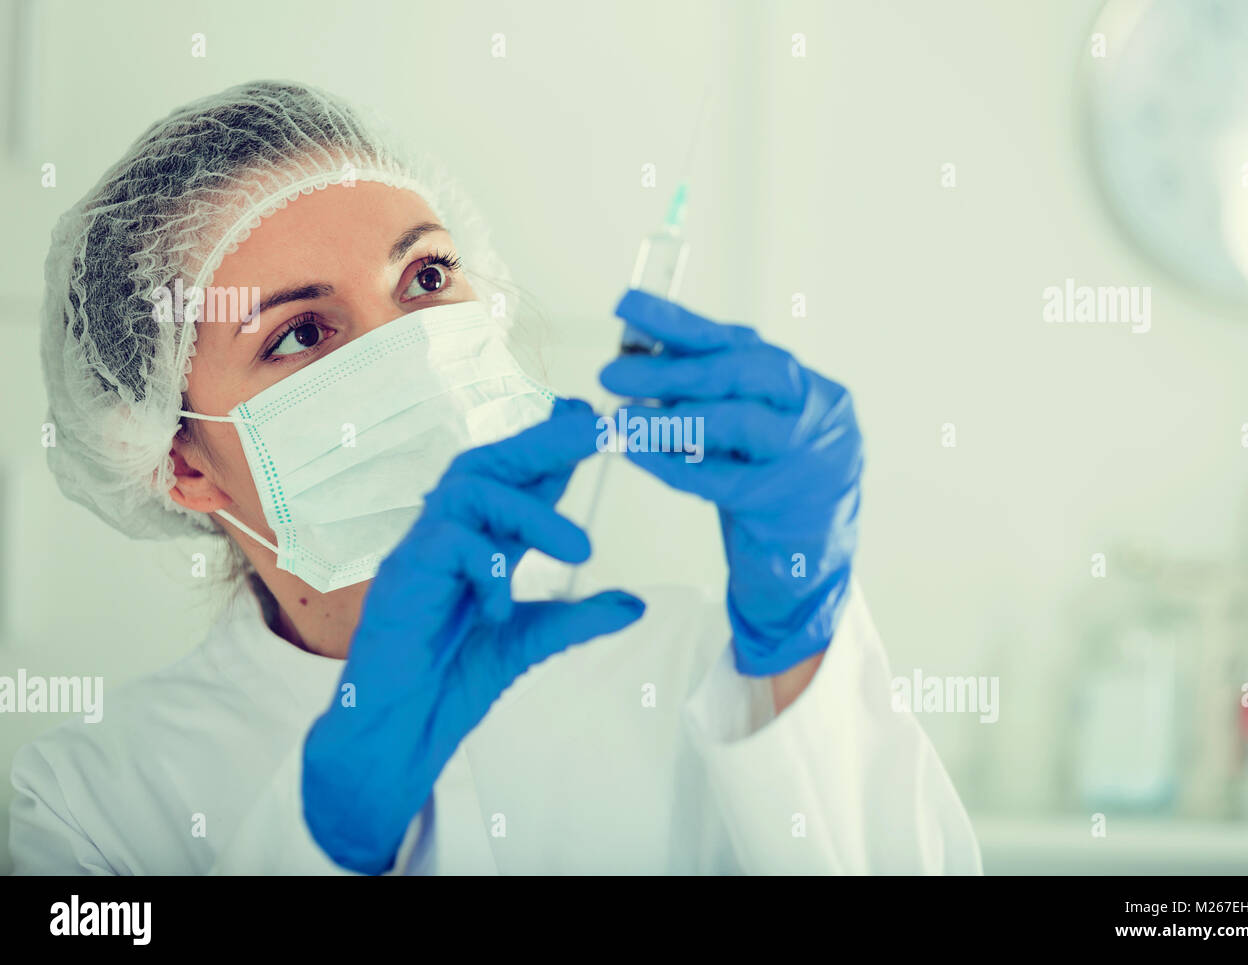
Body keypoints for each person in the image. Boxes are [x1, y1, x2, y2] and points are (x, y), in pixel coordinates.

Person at [10, 79, 982, 875]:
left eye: (427, 278)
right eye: (300, 332)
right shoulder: (88, 807)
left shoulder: (696, 668)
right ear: (181, 462)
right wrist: (325, 843)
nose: (419, 354)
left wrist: (801, 645)